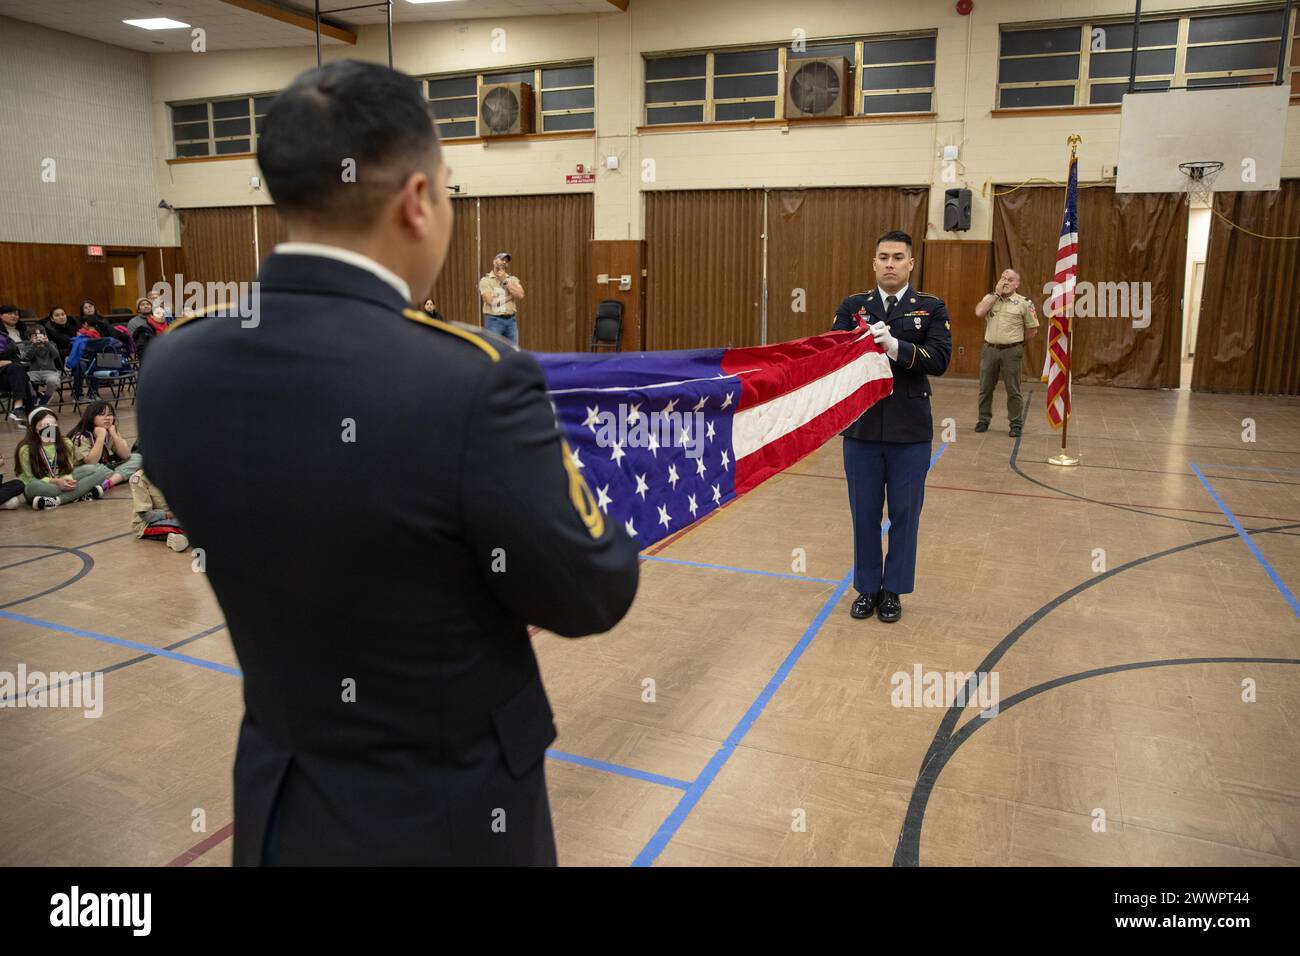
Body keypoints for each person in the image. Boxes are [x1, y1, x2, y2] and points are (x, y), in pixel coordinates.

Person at [138, 60, 639, 866]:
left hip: (280, 802)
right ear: (416, 201)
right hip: (451, 816)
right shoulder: (472, 381)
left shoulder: (174, 371)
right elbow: (591, 589)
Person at [832, 229, 951, 625]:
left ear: (911, 263)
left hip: (909, 430)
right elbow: (833, 359)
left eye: (898, 257)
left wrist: (895, 347)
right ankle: (867, 588)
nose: (889, 264)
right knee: (864, 514)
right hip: (862, 429)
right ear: (873, 262)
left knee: (904, 514)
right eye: (883, 256)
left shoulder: (931, 307)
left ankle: (893, 591)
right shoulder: (853, 307)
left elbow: (939, 359)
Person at [974, 268, 1039, 438]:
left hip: (1011, 351)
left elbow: (1032, 330)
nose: (1005, 282)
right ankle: (983, 420)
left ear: (1017, 284)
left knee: (1013, 389)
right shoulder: (990, 299)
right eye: (1003, 278)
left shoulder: (1024, 303)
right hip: (990, 350)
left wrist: (1016, 343)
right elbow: (979, 312)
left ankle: (1016, 424)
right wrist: (995, 295)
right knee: (985, 388)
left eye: (1010, 279)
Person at [14, 407, 113, 510]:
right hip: (43, 485)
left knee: (99, 471)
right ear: (33, 428)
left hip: (63, 481)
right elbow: (30, 479)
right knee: (34, 487)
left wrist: (67, 480)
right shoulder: (25, 449)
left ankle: (56, 501)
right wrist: (56, 482)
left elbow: (68, 470)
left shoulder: (66, 443)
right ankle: (80, 494)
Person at [69, 400, 142, 488]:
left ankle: (109, 482)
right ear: (91, 417)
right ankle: (120, 477)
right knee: (98, 470)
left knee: (137, 458)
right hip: (83, 470)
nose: (107, 418)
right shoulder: (81, 436)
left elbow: (126, 455)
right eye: (101, 414)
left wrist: (114, 435)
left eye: (110, 414)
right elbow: (91, 462)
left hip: (104, 466)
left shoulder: (110, 430)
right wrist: (100, 437)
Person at [130, 465, 189, 552]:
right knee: (187, 527)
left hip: (174, 516)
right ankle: (178, 539)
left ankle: (179, 538)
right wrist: (170, 515)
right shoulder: (138, 479)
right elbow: (145, 515)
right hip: (148, 523)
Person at [0, 304, 37, 423]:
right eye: (10, 313)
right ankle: (30, 409)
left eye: (16, 314)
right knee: (19, 371)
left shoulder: (14, 334)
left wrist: (10, 361)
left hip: (13, 373)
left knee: (17, 370)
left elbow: (15, 358)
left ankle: (19, 408)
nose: (14, 316)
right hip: (8, 374)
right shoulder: (4, 335)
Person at [478, 252, 524, 345]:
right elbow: (491, 301)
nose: (504, 262)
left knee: (513, 351)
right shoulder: (485, 280)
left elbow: (520, 295)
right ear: (494, 262)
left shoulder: (512, 279)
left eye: (506, 261)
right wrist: (511, 296)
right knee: (495, 351)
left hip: (511, 321)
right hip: (494, 321)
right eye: (501, 259)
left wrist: (505, 281)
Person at [21, 325, 63, 408]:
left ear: (45, 336)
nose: (38, 339)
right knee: (23, 379)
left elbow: (56, 355)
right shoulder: (28, 345)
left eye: (40, 336)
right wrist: (33, 345)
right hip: (34, 371)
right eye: (34, 337)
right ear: (29, 338)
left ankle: (46, 398)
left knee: (53, 381)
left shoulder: (50, 344)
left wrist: (47, 343)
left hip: (50, 371)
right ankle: (34, 396)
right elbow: (26, 358)